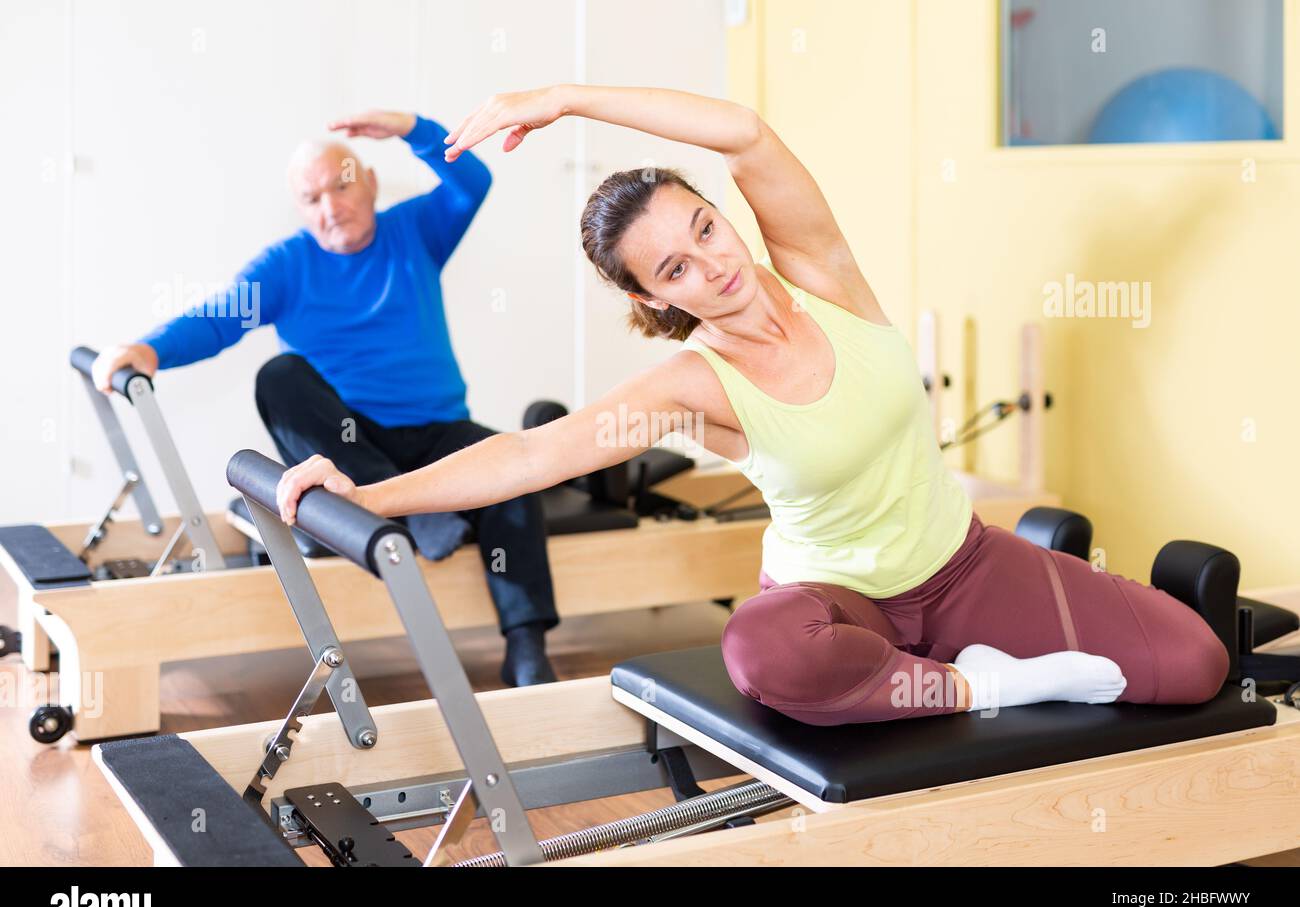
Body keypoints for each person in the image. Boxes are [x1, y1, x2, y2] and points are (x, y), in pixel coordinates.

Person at [275, 84, 1229, 723]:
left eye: (704, 227)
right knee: (761, 652)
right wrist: (366, 499)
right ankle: (978, 687)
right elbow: (538, 456)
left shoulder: (824, 274)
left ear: (723, 211)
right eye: (677, 268)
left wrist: (564, 97)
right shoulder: (698, 380)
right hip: (840, 604)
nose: (715, 265)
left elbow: (745, 133)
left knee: (1196, 664)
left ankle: (962, 668)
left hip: (966, 562)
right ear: (654, 297)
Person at [89, 109, 560, 687]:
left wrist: (412, 128)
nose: (330, 208)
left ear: (371, 184)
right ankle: (401, 513)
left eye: (342, 185)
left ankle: (527, 644)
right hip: (351, 444)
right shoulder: (288, 265)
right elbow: (217, 320)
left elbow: (473, 180)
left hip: (440, 433)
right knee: (279, 376)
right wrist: (148, 350)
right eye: (312, 199)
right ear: (300, 209)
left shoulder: (416, 231)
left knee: (512, 461)